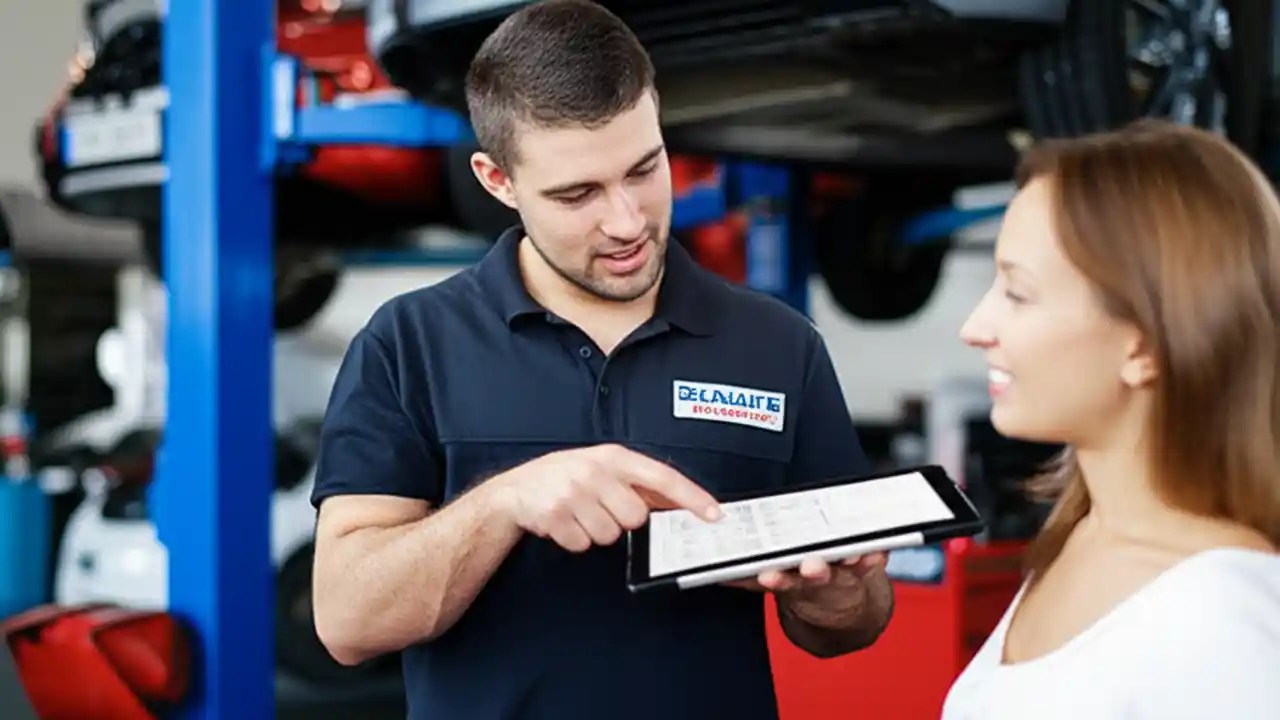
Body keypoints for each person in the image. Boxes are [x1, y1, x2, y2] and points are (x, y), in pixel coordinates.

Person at [308, 2, 894, 718]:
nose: (626, 221)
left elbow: (855, 623)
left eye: (644, 169)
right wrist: (505, 503)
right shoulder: (410, 344)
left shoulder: (778, 345)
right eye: (577, 194)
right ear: (498, 181)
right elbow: (347, 622)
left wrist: (835, 597)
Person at [941, 119, 1280, 719]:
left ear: (1143, 344)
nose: (975, 328)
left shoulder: (1222, 621)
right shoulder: (1081, 534)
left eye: (1018, 294)